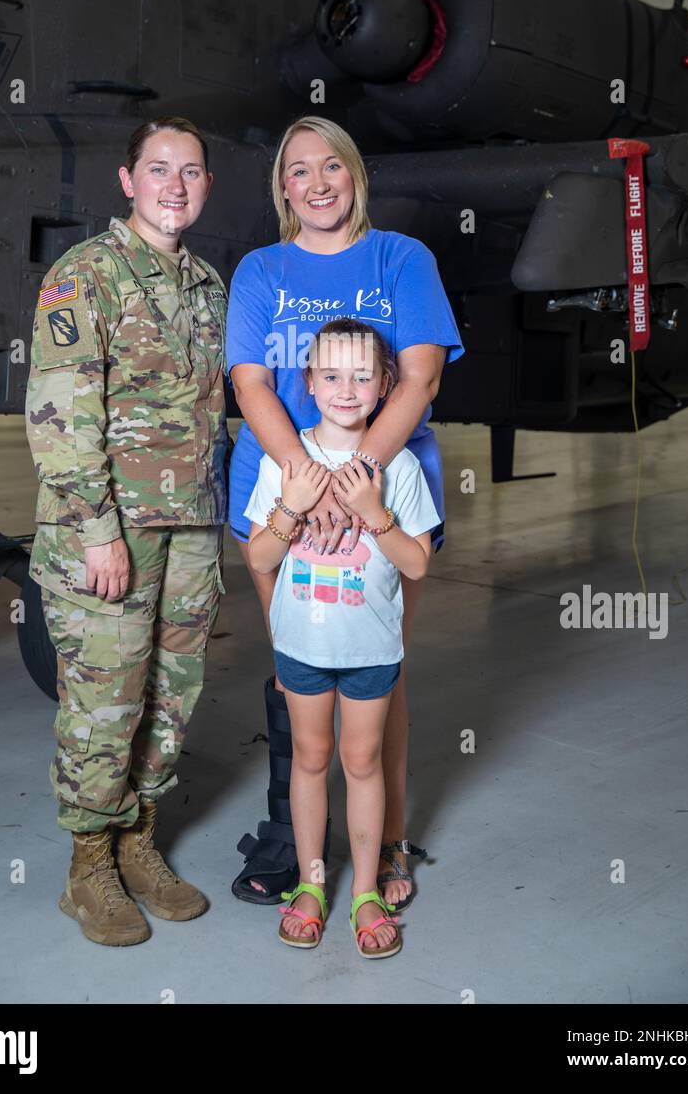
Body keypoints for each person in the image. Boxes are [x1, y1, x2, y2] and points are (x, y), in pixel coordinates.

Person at [227, 114, 464, 909]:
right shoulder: (260, 269)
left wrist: (355, 479)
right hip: (283, 489)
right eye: (299, 170)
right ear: (282, 186)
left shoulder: (403, 258)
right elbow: (252, 385)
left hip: (384, 486)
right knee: (298, 660)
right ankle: (297, 847)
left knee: (377, 674)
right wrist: (305, 478)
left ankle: (386, 845)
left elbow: (422, 378)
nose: (318, 183)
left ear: (355, 175)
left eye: (332, 166)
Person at [25, 116, 227, 947]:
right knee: (104, 703)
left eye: (190, 171)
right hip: (108, 530)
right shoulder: (87, 276)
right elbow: (62, 415)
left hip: (193, 528)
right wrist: (98, 529)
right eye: (158, 168)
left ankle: (140, 841)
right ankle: (89, 869)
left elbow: (223, 409)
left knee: (169, 698)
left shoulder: (209, 284)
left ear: (207, 185)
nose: (174, 184)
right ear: (127, 180)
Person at [246, 319, 440, 957]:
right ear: (309, 383)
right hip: (302, 649)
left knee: (362, 763)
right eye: (331, 375)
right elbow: (263, 556)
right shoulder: (288, 465)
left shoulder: (399, 467)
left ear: (386, 386)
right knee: (309, 760)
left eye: (363, 376)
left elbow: (415, 564)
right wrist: (293, 503)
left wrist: (374, 513)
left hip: (371, 653)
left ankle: (364, 891)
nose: (347, 389)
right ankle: (311, 883)